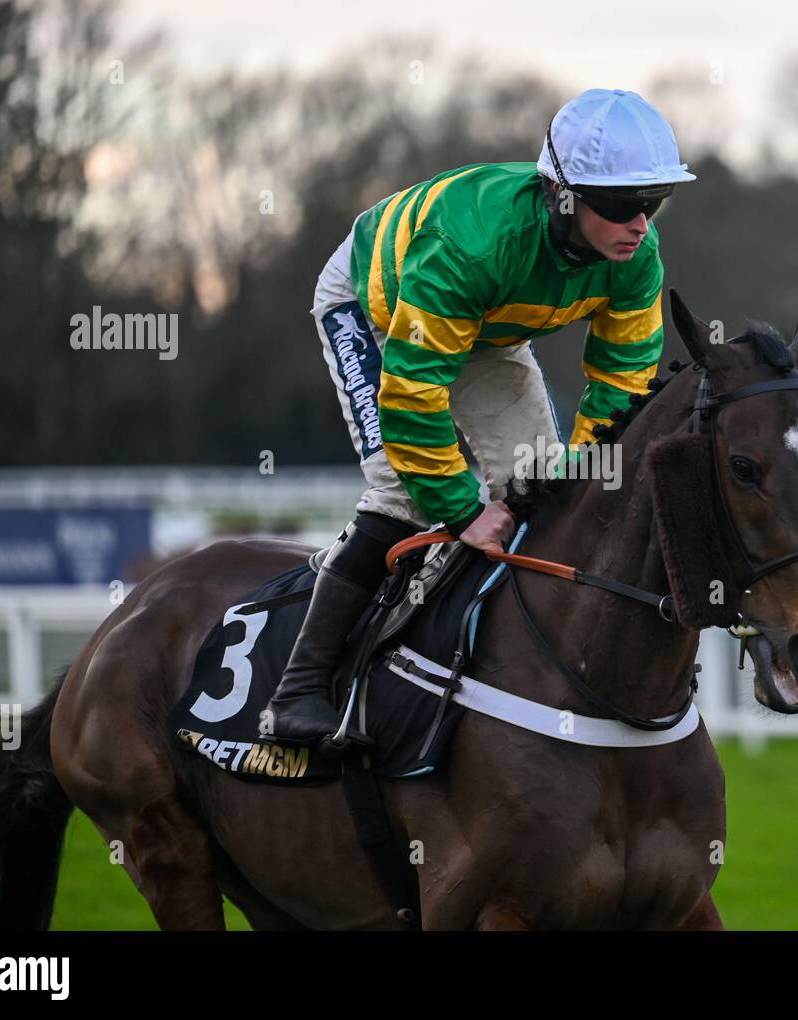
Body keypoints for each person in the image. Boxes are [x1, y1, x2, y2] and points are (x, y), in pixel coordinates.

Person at [259, 88, 697, 746]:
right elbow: (411, 392)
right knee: (404, 490)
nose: (640, 223)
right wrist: (464, 510)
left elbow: (620, 386)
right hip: (376, 307)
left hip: (481, 332)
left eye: (653, 201)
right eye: (621, 206)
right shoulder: (472, 244)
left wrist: (574, 480)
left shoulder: (637, 260)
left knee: (544, 484)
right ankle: (297, 691)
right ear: (563, 196)